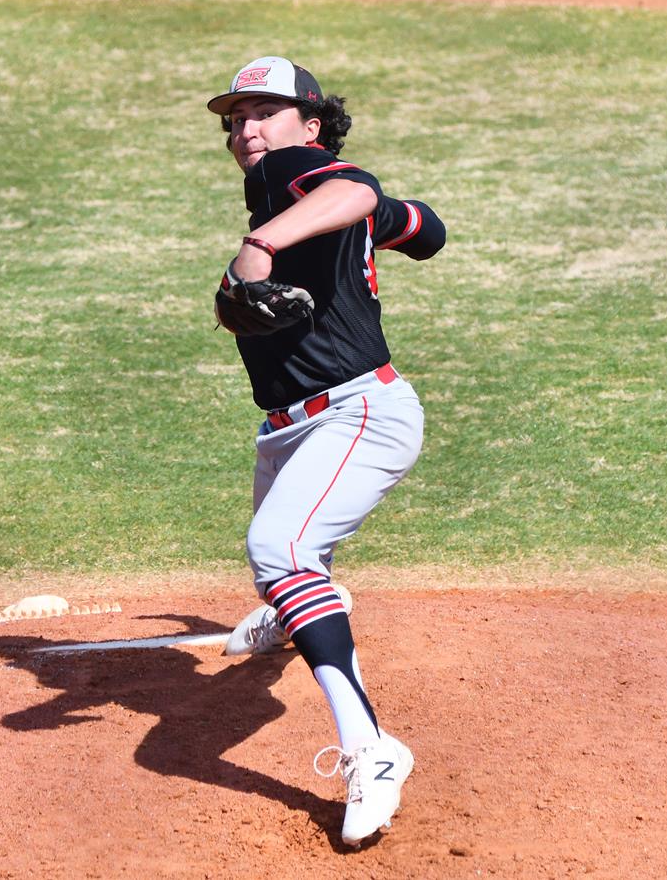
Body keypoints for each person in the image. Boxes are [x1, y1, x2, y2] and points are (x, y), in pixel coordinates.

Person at [205, 56, 446, 847]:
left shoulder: (289, 172)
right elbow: (423, 228)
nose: (247, 128)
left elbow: (360, 190)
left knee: (279, 549)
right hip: (293, 426)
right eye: (237, 117)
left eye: (265, 112)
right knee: (283, 569)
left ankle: (371, 750)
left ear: (311, 127)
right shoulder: (300, 193)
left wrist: (259, 246)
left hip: (356, 413)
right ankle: (299, 606)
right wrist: (399, 221)